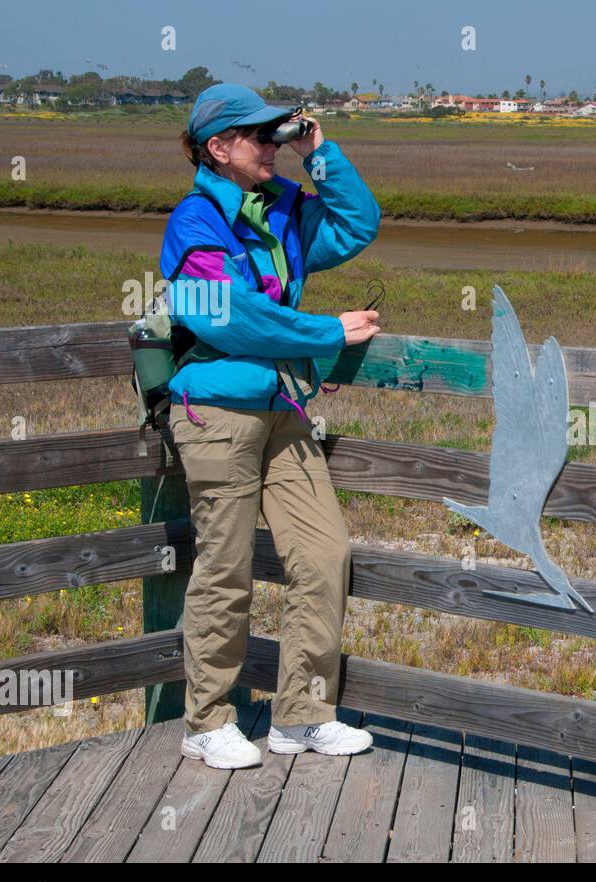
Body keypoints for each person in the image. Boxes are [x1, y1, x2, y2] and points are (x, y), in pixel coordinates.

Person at [161, 83, 382, 768]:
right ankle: (206, 720)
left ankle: (301, 714)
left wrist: (320, 154)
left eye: (275, 133)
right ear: (218, 148)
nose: (271, 145)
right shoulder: (191, 223)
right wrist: (325, 331)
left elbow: (357, 224)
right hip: (217, 412)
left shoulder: (284, 207)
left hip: (281, 411)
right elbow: (224, 317)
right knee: (225, 568)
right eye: (259, 136)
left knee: (323, 555)